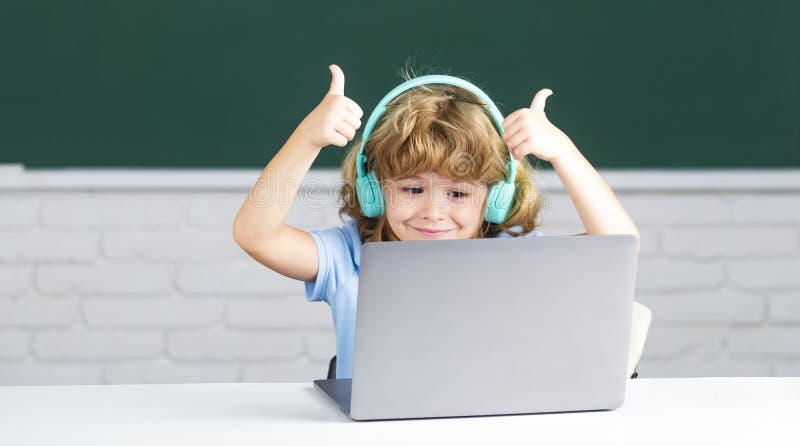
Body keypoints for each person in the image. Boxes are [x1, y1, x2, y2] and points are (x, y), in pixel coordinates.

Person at [233, 63, 640, 379]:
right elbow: (256, 234)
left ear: (494, 199)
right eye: (412, 190)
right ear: (376, 190)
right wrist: (308, 138)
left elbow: (617, 249)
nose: (433, 211)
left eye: (458, 193)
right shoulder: (349, 258)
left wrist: (563, 151)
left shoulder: (513, 260)